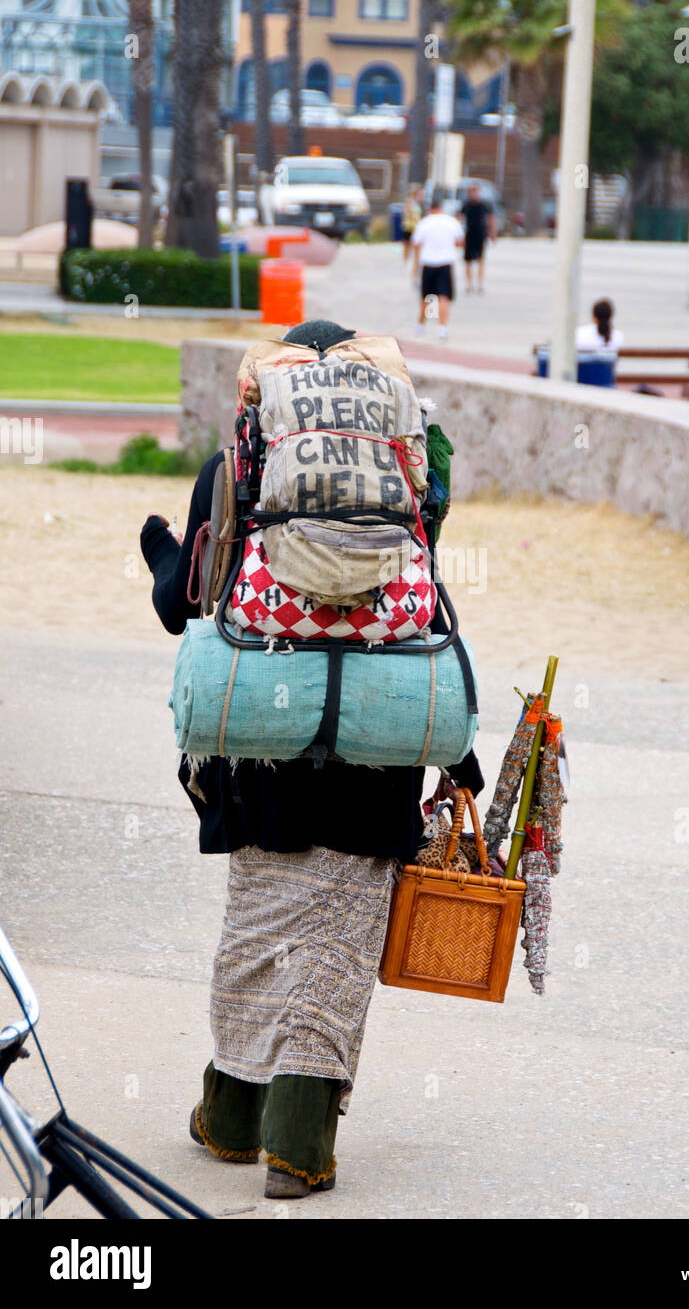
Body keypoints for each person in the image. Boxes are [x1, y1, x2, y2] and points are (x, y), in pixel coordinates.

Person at [139, 318, 482, 1200]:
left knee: (257, 932)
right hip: (376, 754)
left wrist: (163, 557)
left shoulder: (238, 467)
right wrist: (459, 750)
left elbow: (185, 605)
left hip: (266, 752)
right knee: (337, 941)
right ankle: (300, 1147)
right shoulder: (402, 473)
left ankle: (230, 1118)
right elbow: (425, 608)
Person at [411, 192, 464, 340]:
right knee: (443, 296)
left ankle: (421, 326)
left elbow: (416, 243)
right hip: (445, 262)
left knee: (427, 297)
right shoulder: (451, 222)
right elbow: (460, 241)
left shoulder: (425, 222)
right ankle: (442, 327)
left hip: (428, 262)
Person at [460, 182, 495, 294]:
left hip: (480, 234)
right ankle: (469, 284)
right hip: (469, 234)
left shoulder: (484, 205)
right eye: (471, 191)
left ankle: (480, 284)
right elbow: (459, 219)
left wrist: (492, 232)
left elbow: (490, 218)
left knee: (481, 259)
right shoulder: (466, 205)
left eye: (475, 191)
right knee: (468, 261)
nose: (473, 194)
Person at [401, 185, 422, 265]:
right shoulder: (410, 202)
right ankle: (405, 262)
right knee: (407, 246)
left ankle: (414, 262)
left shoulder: (417, 204)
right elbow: (409, 213)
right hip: (409, 227)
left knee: (415, 246)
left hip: (415, 227)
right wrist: (415, 221)